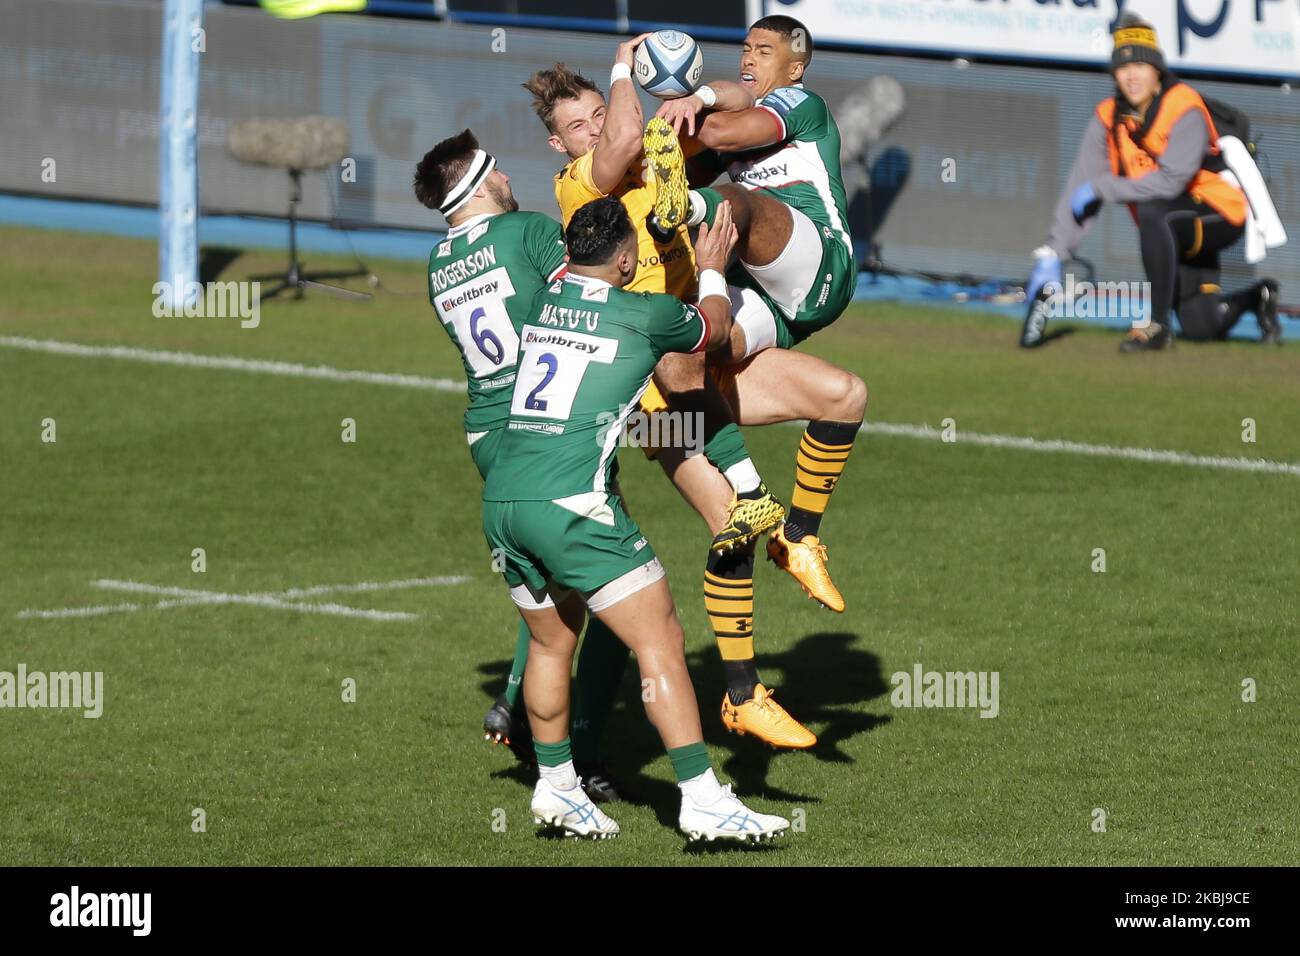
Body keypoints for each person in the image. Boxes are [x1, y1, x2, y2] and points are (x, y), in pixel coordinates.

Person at [521, 53, 821, 749]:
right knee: (730, 522)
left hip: (699, 341)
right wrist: (627, 63)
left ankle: (796, 537)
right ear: (558, 146)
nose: (597, 130)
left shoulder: (648, 164)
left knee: (840, 394)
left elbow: (730, 110)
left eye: (599, 114)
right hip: (654, 386)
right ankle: (743, 693)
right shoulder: (580, 185)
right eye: (578, 125)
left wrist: (693, 93)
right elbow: (627, 139)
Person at [480, 195, 790, 841]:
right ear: (626, 260)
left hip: (503, 501)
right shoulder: (645, 313)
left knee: (549, 642)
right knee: (661, 643)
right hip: (573, 506)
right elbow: (709, 329)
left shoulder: (544, 300)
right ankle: (703, 800)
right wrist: (709, 266)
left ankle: (557, 788)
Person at [413, 129, 626, 801]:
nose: (507, 175)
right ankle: (578, 759)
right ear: (479, 187)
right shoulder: (529, 233)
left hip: (488, 435)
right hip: (551, 425)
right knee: (618, 606)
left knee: (547, 586)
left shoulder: (436, 264)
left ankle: (514, 704)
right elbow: (588, 298)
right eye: (495, 169)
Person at [647, 14, 870, 618]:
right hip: (776, 300)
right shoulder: (730, 131)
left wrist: (682, 110)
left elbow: (728, 128)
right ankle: (797, 534)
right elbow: (705, 134)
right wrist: (682, 109)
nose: (749, 57)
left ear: (794, 68)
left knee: (734, 204)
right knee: (675, 362)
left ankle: (683, 211)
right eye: (744, 48)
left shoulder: (801, 104)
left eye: (764, 50)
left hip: (821, 261)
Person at [1026, 13, 1281, 352]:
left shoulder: (1183, 106)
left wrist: (1104, 187)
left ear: (1157, 69)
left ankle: (1158, 327)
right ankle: (1258, 296)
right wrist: (1055, 253)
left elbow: (1170, 183)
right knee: (1201, 325)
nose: (1132, 76)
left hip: (1221, 212)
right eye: (1122, 68)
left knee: (1154, 210)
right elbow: (1081, 184)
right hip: (1176, 225)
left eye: (1141, 66)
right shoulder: (1108, 118)